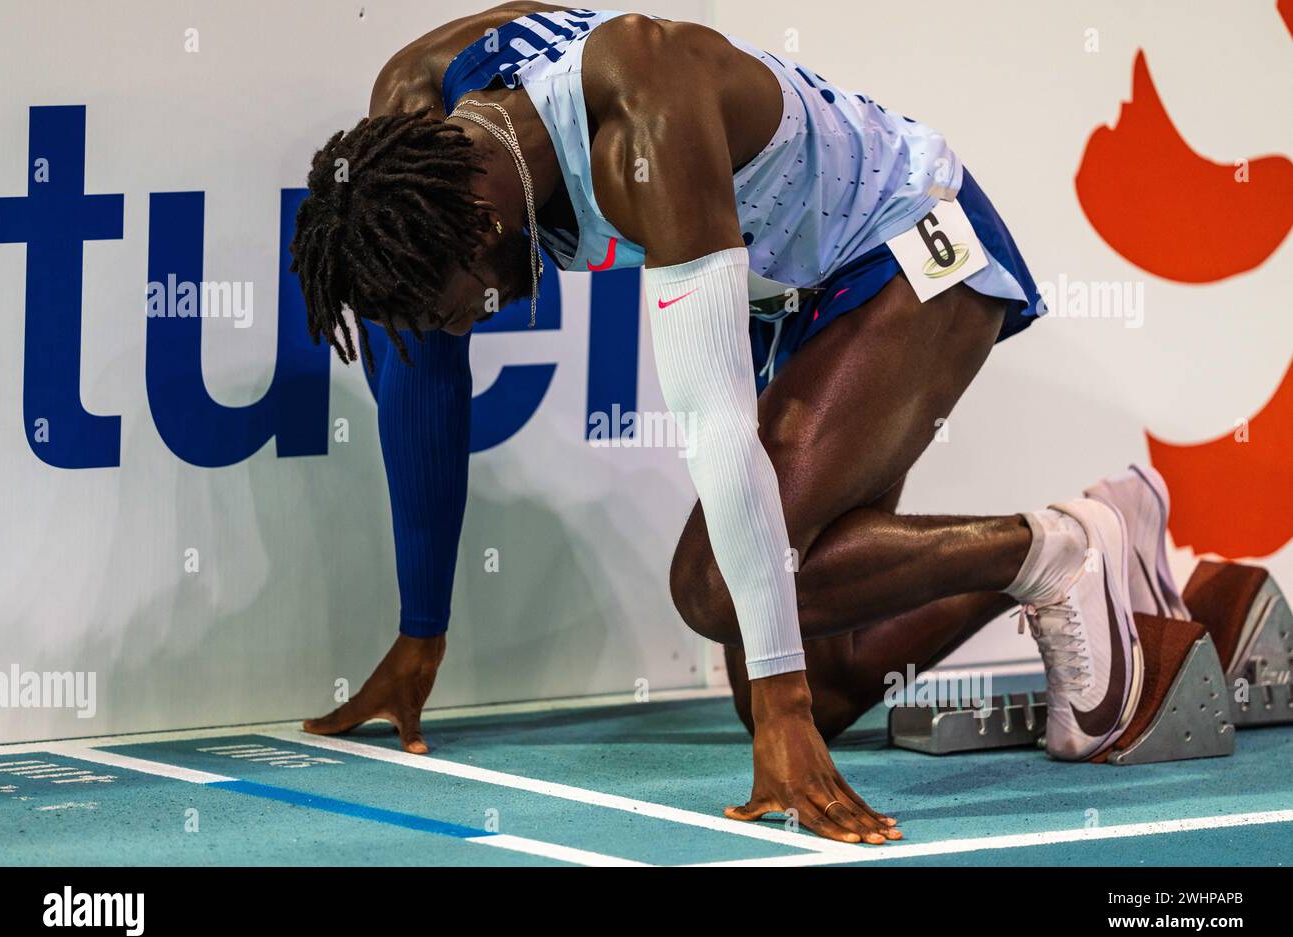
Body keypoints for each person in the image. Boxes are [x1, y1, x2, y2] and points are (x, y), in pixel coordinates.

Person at [290, 3, 1167, 844]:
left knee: (714, 588)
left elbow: (716, 425)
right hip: (792, 284)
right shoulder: (413, 125)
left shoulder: (642, 117)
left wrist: (778, 717)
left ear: (482, 222)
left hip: (908, 241)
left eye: (454, 312)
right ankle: (1082, 547)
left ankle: (1062, 550)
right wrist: (421, 632)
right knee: (810, 690)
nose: (463, 328)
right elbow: (422, 384)